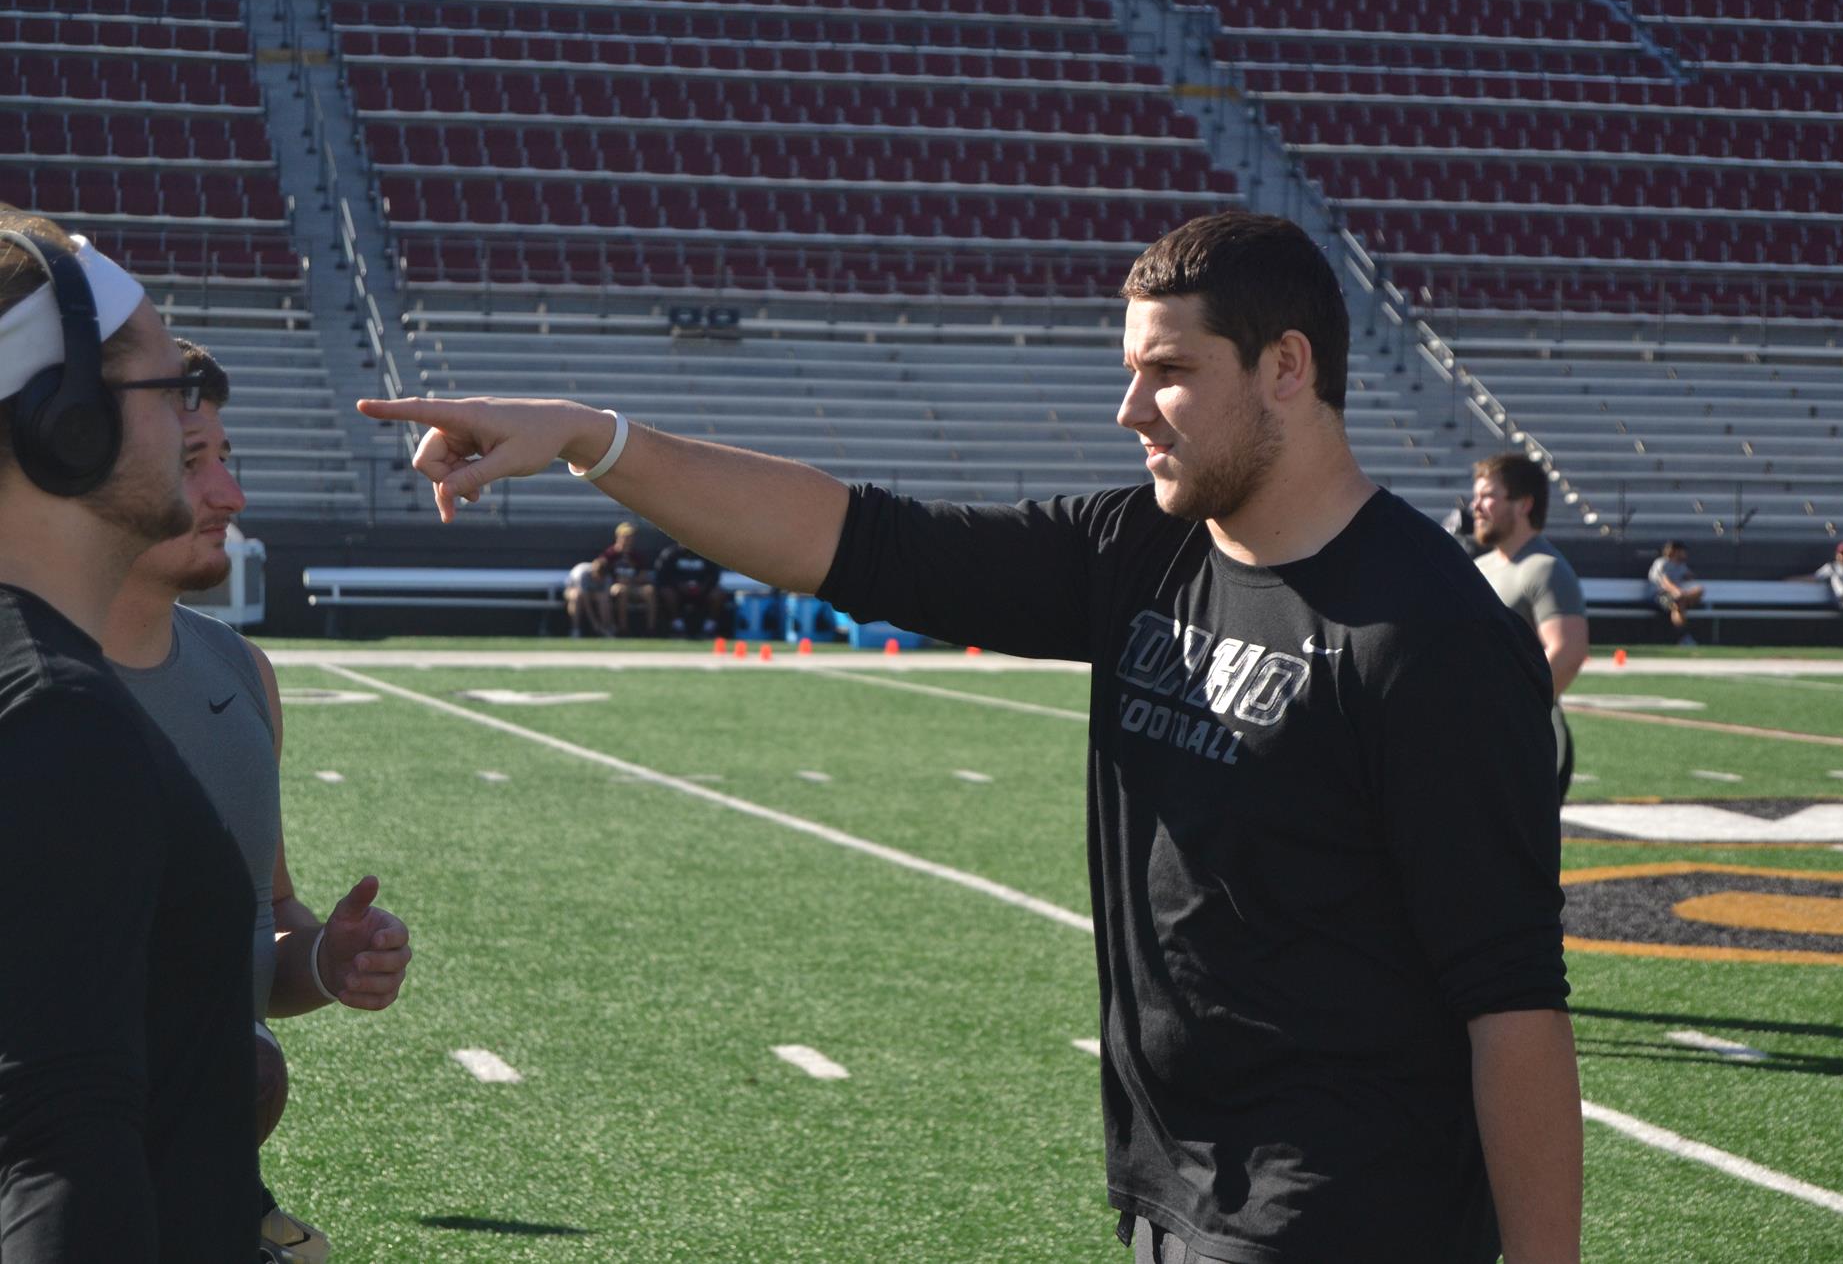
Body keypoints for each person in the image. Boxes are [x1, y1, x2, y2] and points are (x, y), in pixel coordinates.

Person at [360, 212, 1581, 1264]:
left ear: (1285, 366)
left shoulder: (1427, 635)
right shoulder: (1141, 553)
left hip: (1341, 1209)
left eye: (1165, 371)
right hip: (1172, 1182)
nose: (1126, 410)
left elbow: (1512, 1002)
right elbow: (855, 539)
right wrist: (594, 438)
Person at [100, 338, 414, 1264]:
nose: (229, 495)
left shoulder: (242, 673)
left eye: (226, 458)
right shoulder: (28, 678)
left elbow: (262, 933)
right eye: (190, 462)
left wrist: (323, 958)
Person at [0, 210, 259, 1259]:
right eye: (169, 394)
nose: (188, 434)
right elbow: (59, 1161)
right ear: (72, 420)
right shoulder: (59, 719)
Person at [1470, 452, 1588, 798]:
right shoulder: (1482, 567)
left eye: (1488, 496)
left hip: (1522, 736)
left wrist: (1509, 714)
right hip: (1480, 731)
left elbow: (1568, 651)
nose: (1476, 506)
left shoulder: (1544, 568)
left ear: (1523, 504)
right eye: (1477, 495)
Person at [654, 535, 728, 637]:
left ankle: (709, 627)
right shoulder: (670, 554)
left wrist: (703, 586)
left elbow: (714, 576)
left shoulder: (705, 554)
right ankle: (677, 626)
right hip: (678, 591)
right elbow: (662, 576)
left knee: (718, 593)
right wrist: (678, 585)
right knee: (667, 593)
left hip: (702, 591)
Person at [600, 519, 657, 635]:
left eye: (631, 536)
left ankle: (651, 629)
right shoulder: (609, 554)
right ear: (618, 536)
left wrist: (631, 580)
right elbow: (601, 572)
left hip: (633, 586)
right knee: (622, 591)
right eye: (625, 536)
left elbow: (643, 575)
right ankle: (623, 629)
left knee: (650, 591)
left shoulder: (635, 556)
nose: (629, 539)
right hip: (615, 586)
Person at [1647, 539, 1704, 646]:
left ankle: (1684, 600)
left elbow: (1690, 577)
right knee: (1678, 603)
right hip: (1658, 595)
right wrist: (1678, 592)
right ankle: (1683, 637)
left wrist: (1688, 588)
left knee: (1697, 590)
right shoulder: (1662, 562)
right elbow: (1665, 583)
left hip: (1677, 596)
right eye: (1682, 551)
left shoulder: (1680, 565)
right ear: (1675, 551)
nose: (1685, 553)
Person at [565, 553, 613, 636]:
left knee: (603, 598)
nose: (599, 579)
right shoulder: (583, 575)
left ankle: (607, 628)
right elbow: (586, 602)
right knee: (577, 596)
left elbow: (607, 599)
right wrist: (594, 623)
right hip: (573, 590)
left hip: (594, 593)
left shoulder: (607, 577)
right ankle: (575, 629)